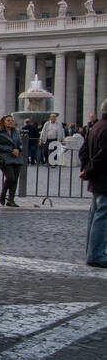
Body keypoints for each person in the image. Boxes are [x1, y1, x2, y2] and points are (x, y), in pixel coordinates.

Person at [80, 100, 107, 268]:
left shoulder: (96, 126)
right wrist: (88, 170)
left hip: (97, 179)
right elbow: (104, 156)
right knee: (102, 216)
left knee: (95, 214)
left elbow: (83, 151)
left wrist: (86, 169)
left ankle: (92, 252)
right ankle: (96, 254)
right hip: (104, 179)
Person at [0, 114, 23, 207]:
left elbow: (20, 143)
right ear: (3, 122)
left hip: (16, 157)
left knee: (15, 180)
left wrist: (18, 149)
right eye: (8, 120)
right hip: (5, 157)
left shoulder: (16, 132)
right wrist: (10, 150)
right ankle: (3, 194)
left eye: (11, 120)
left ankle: (11, 200)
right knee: (10, 178)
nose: (10, 122)